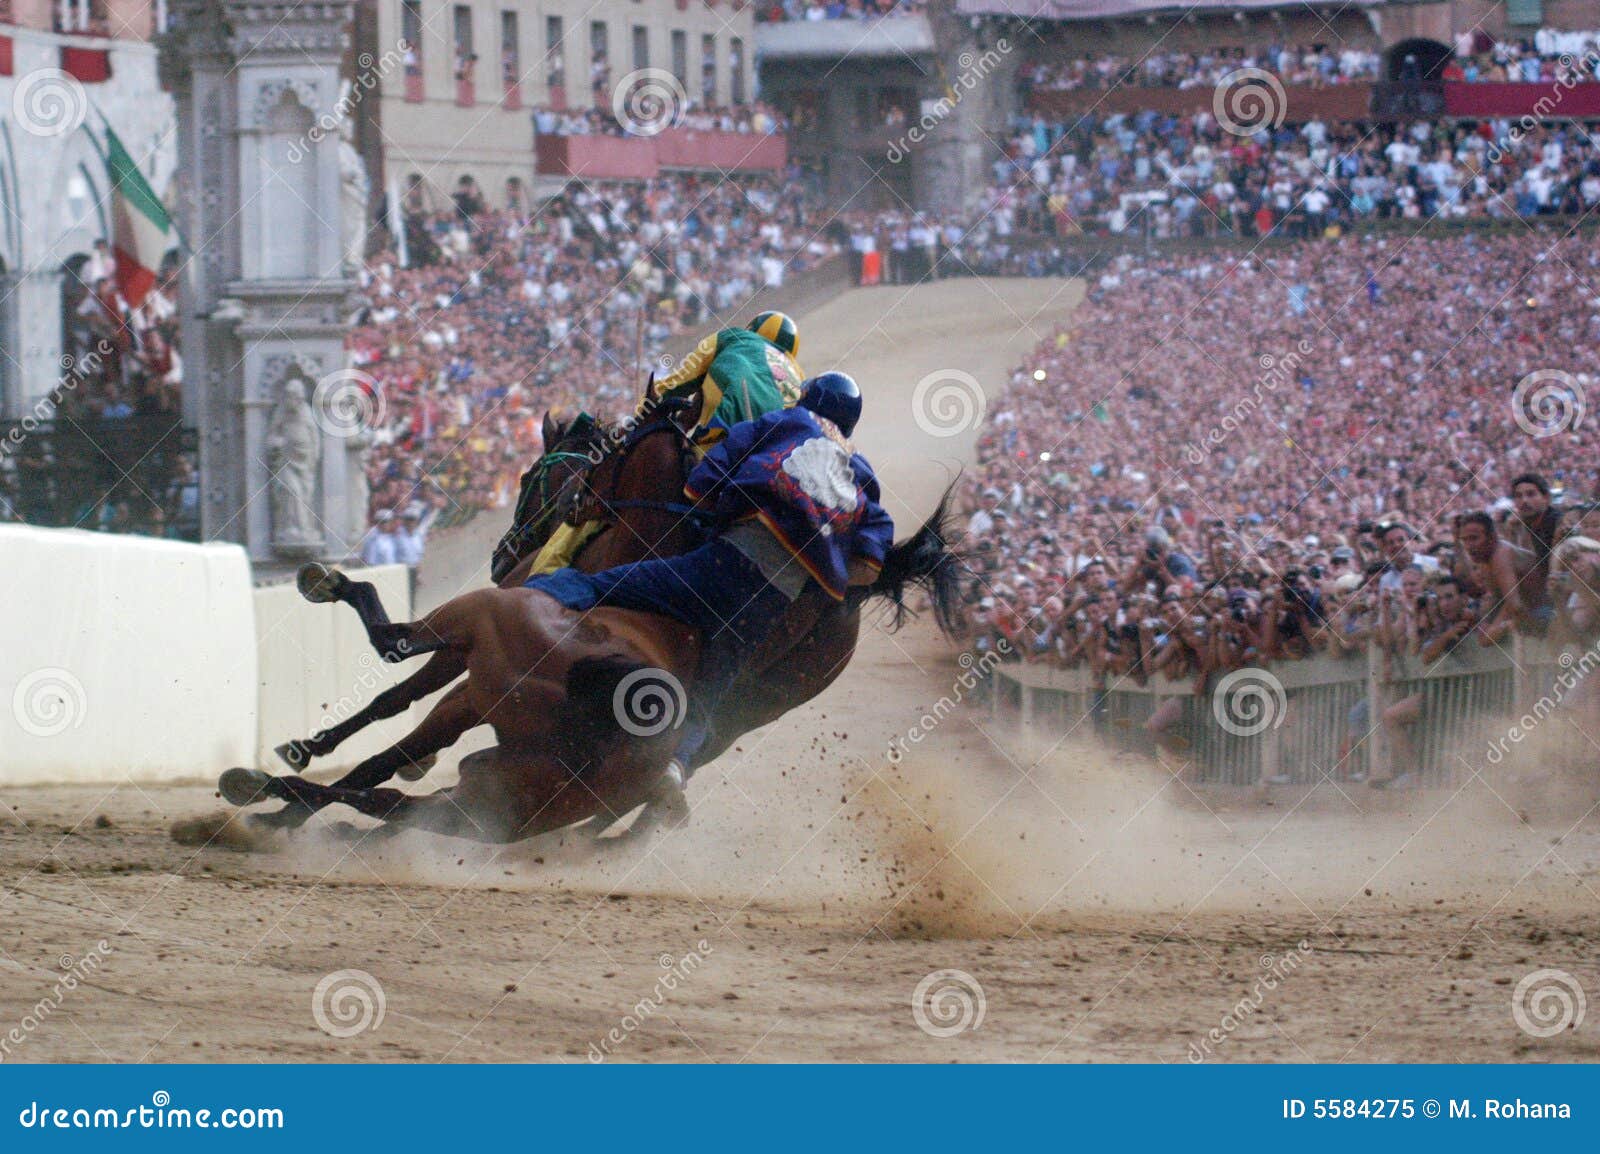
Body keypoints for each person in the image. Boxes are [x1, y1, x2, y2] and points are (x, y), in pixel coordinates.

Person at [525, 372, 893, 820]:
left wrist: (711, 507)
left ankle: (529, 599)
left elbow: (707, 478)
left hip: (720, 566)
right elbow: (867, 567)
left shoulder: (786, 421)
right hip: (772, 602)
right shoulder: (864, 474)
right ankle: (676, 767)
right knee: (712, 688)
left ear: (809, 398)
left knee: (605, 585)